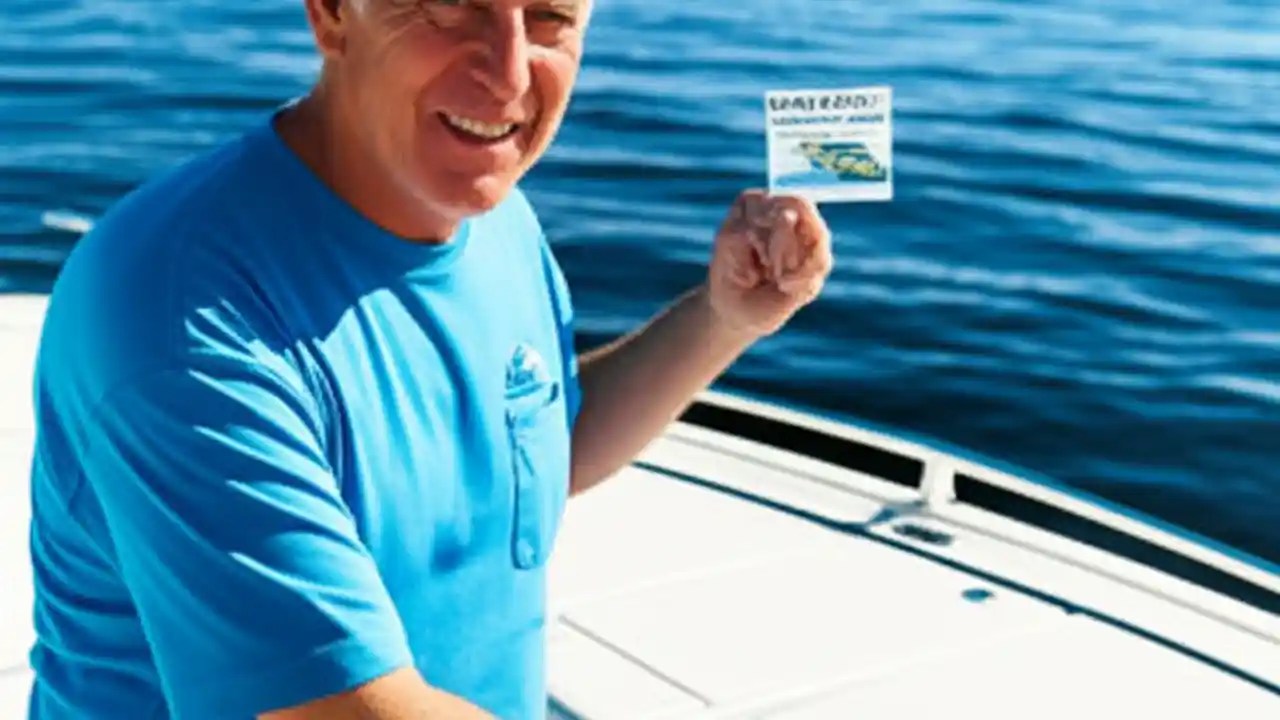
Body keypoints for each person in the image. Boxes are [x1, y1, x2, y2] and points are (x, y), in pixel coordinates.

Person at [25, 0, 832, 718]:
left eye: (549, 18)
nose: (510, 74)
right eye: (451, 9)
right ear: (332, 14)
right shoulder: (178, 312)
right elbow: (339, 710)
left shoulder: (493, 221)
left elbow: (537, 447)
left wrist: (721, 319)